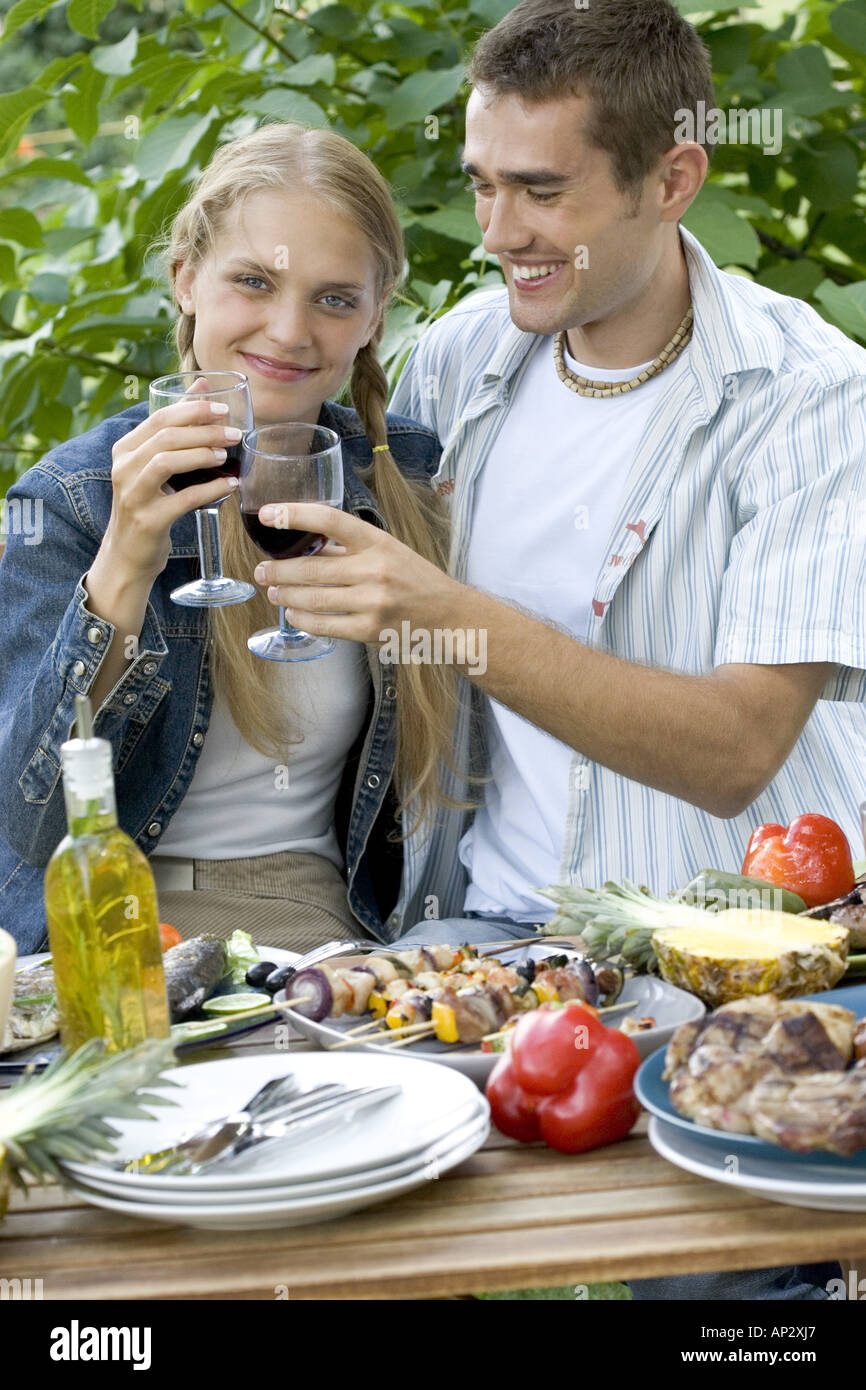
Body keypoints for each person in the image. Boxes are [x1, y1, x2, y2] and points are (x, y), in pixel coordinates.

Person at [246, 0, 865, 1297]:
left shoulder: (812, 400)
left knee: (720, 1310)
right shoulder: (462, 362)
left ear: (670, 177)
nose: (495, 233)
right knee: (311, 1226)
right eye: (479, 185)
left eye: (539, 190)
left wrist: (441, 611)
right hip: (496, 935)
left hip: (724, 973)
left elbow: (735, 749)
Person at [0, 121, 462, 956]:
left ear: (373, 319)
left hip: (319, 919)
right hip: (117, 928)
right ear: (186, 280)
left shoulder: (405, 478)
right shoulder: (74, 499)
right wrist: (123, 566)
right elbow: (33, 826)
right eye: (253, 281)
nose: (289, 332)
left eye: (334, 298)